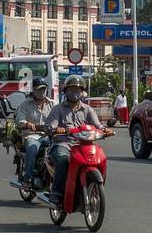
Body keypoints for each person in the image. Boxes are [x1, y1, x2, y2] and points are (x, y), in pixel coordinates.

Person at [43, 75, 110, 207]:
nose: (75, 93)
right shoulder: (58, 109)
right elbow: (50, 126)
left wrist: (105, 130)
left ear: (82, 92)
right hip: (63, 144)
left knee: (100, 158)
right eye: (72, 89)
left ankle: (95, 189)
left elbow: (98, 126)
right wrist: (56, 129)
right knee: (63, 159)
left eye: (78, 90)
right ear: (66, 91)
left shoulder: (87, 109)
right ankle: (56, 193)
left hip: (83, 145)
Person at [12, 78, 55, 189]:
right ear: (33, 91)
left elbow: (61, 118)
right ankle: (27, 179)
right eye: (38, 90)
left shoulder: (53, 104)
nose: (41, 92)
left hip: (50, 135)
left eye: (44, 89)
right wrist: (29, 124)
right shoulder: (25, 105)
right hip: (31, 135)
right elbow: (19, 120)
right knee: (32, 148)